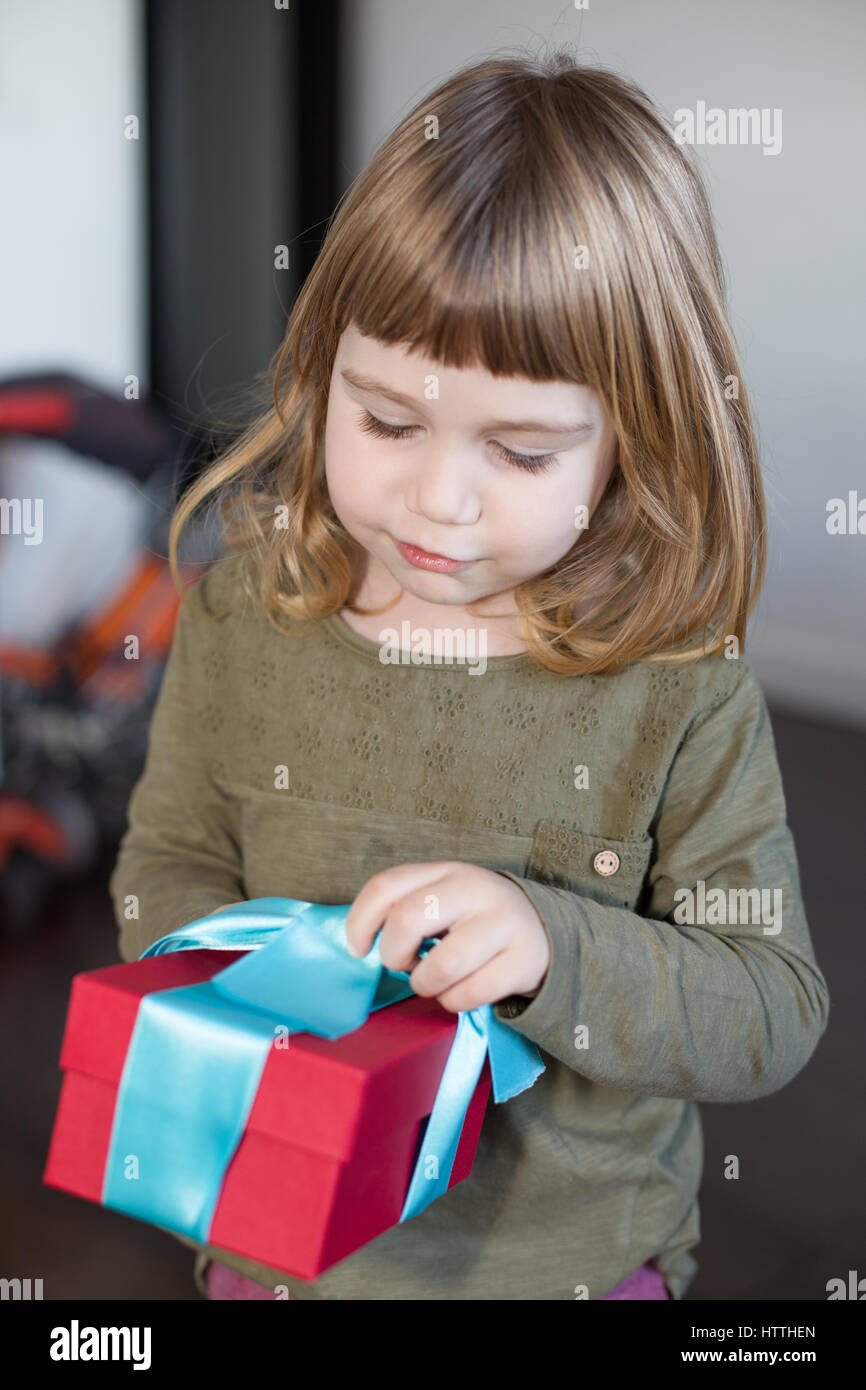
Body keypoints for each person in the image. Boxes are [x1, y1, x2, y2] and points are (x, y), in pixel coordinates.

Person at [108, 49, 829, 1301]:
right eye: (386, 421)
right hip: (273, 1251)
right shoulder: (240, 614)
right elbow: (166, 860)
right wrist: (238, 971)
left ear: (629, 445)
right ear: (320, 363)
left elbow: (766, 1004)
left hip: (569, 1271)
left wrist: (551, 949)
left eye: (521, 450)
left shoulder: (677, 696)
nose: (436, 499)